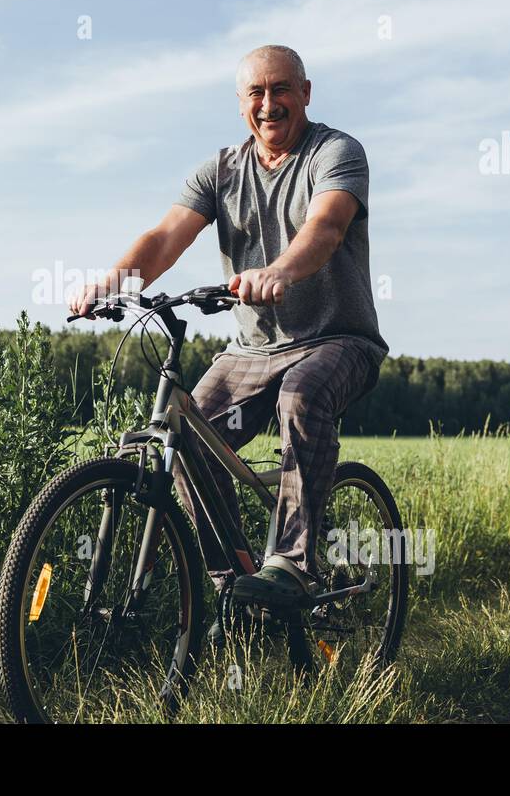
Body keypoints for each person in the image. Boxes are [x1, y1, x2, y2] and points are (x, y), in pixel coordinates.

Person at [67, 44, 389, 619]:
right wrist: (110, 283)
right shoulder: (220, 172)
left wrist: (279, 272)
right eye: (256, 93)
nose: (270, 104)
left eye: (282, 89)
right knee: (183, 439)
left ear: (306, 93)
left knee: (303, 394)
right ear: (241, 104)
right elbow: (166, 236)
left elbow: (327, 224)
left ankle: (291, 565)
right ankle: (238, 585)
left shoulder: (335, 152)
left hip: (339, 340)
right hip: (252, 349)